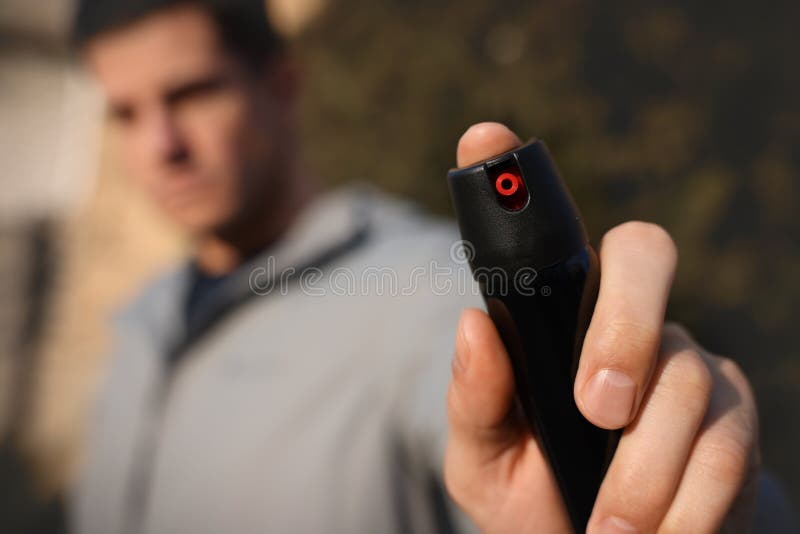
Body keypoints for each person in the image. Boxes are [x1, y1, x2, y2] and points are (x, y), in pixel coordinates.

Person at [69, 0, 793, 533]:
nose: (160, 145)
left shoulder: (436, 294)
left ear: (281, 85)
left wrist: (719, 491)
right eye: (124, 114)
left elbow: (606, 490)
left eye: (191, 93)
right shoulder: (143, 323)